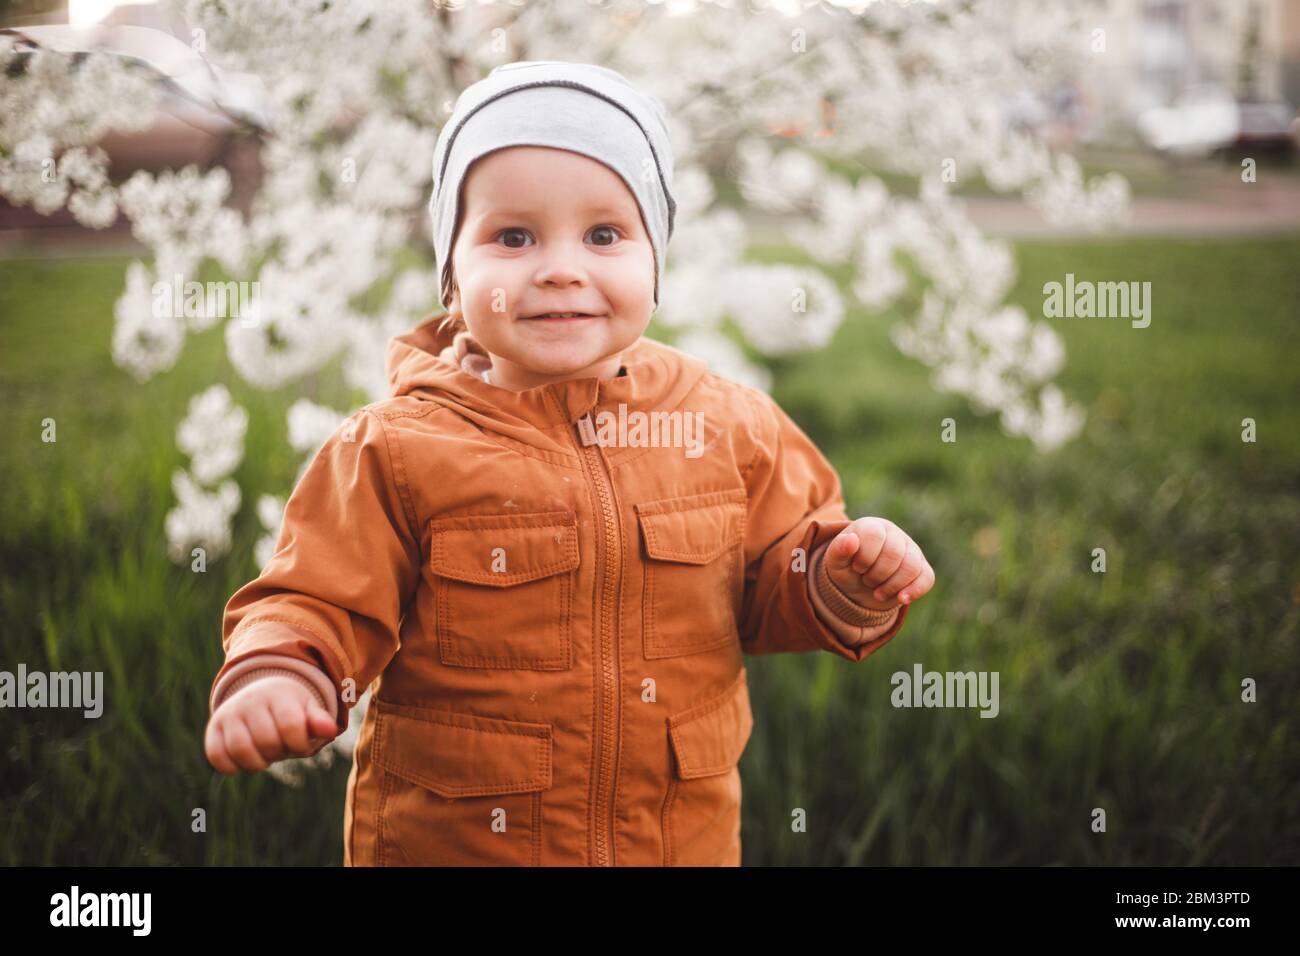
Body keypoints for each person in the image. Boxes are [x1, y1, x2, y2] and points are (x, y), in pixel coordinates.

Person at [203, 60, 935, 866]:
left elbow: (774, 576)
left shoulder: (726, 426)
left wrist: (837, 577)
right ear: (454, 275)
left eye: (604, 235)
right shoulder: (396, 450)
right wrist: (281, 671)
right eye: (512, 237)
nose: (559, 267)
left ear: (655, 261)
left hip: (673, 843)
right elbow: (319, 594)